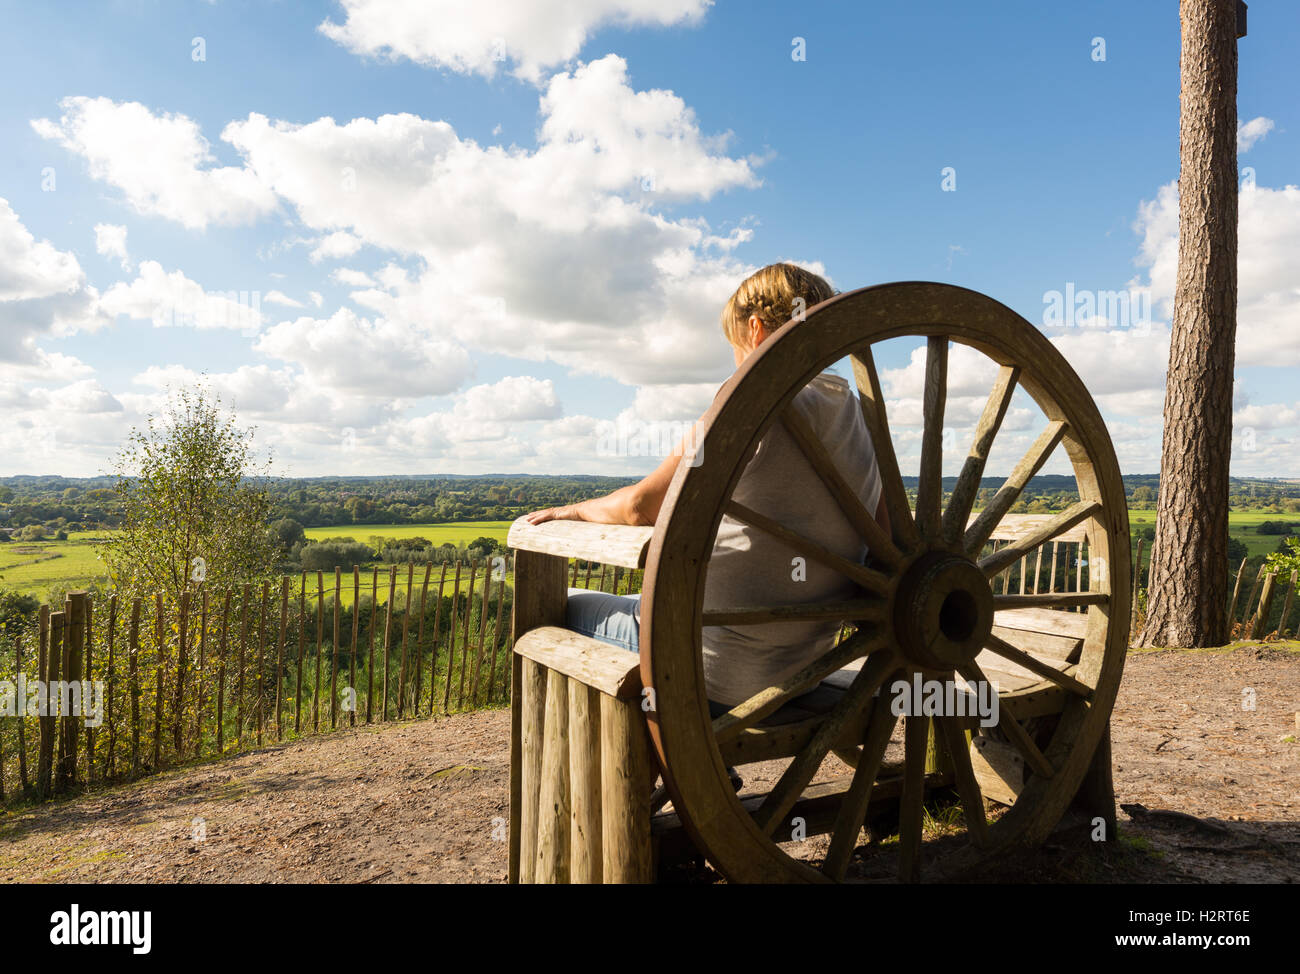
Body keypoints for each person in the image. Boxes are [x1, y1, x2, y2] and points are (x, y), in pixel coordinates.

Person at [525, 262, 887, 719]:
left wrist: (575, 510)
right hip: (806, 663)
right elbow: (882, 539)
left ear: (754, 329)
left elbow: (642, 506)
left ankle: (609, 771)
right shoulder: (858, 413)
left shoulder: (752, 400)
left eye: (733, 344)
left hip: (714, 666)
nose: (736, 359)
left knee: (562, 604)